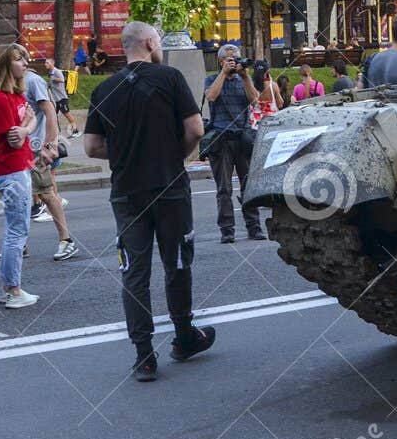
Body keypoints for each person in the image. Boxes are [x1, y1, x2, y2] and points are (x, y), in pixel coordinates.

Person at [84, 21, 214, 381]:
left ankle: (144, 355)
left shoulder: (104, 89)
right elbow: (196, 130)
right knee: (176, 264)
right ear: (150, 42)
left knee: (134, 273)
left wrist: (128, 153)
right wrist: (176, 155)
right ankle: (185, 336)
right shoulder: (169, 78)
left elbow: (92, 147)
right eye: (157, 41)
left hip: (126, 192)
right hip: (169, 186)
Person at [0, 44, 39, 309]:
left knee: (18, 229)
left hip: (21, 168)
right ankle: (12, 290)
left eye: (25, 59)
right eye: (19, 60)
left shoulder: (16, 94)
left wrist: (26, 128)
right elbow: (15, 141)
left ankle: (11, 287)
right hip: (12, 170)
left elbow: (31, 122)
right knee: (17, 230)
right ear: (5, 65)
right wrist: (26, 128)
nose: (25, 64)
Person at [203, 43, 264, 244]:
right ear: (220, 61)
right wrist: (223, 73)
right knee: (224, 188)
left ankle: (254, 227)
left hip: (243, 138)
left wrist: (245, 75)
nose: (233, 62)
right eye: (229, 59)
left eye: (236, 58)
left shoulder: (242, 79)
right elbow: (211, 96)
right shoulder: (212, 79)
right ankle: (227, 230)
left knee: (249, 186)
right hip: (221, 139)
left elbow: (255, 100)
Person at [20, 60, 80, 260]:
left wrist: (50, 144)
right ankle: (18, 244)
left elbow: (50, 111)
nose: (22, 62)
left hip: (35, 148)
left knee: (46, 194)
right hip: (18, 150)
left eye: (21, 58)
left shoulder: (33, 80)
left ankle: (66, 240)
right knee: (18, 197)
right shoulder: (9, 82)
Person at [48, 61, 77, 138]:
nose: (45, 64)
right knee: (53, 115)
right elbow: (51, 85)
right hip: (55, 99)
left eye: (47, 63)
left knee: (67, 114)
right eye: (45, 63)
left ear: (52, 64)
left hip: (62, 98)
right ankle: (55, 132)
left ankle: (75, 130)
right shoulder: (50, 72)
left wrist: (54, 78)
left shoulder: (57, 71)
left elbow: (62, 79)